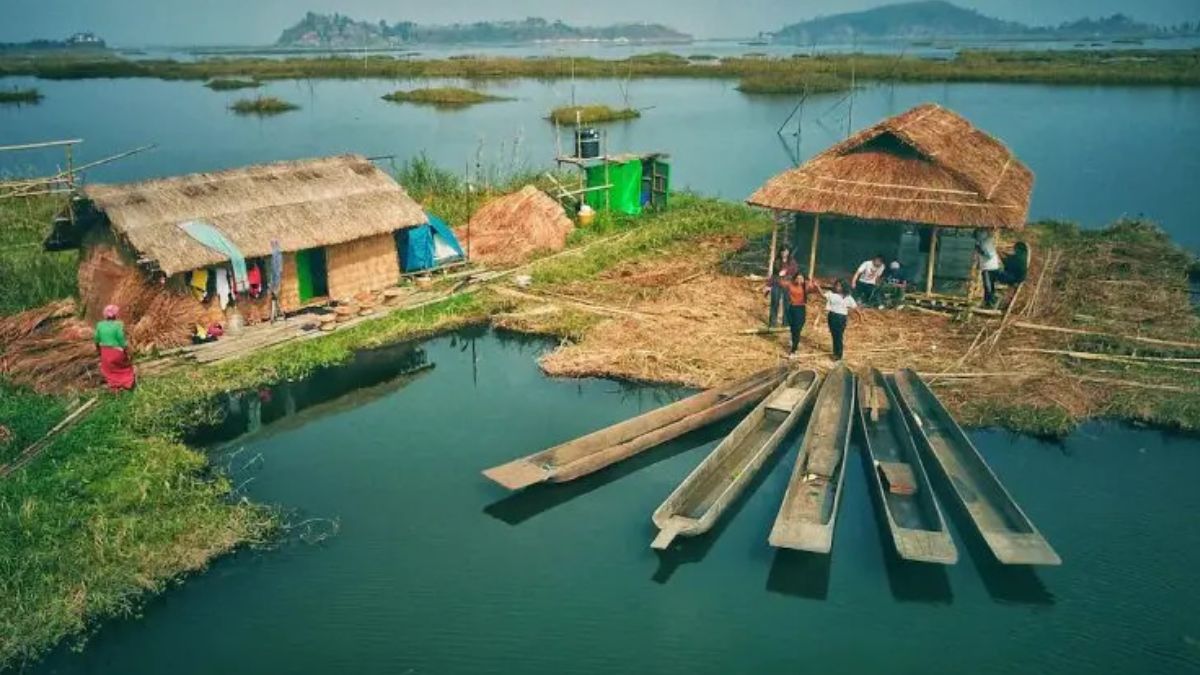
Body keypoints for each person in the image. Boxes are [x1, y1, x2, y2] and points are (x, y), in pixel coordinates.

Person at [94, 304, 136, 391]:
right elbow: (121, 339)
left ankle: (113, 383)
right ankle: (126, 382)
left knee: (108, 369)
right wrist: (126, 350)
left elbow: (96, 339)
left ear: (105, 315)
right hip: (116, 353)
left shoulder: (99, 325)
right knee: (125, 367)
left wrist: (99, 351)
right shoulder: (118, 324)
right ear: (115, 315)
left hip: (105, 353)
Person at [820, 279, 861, 361]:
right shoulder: (831, 294)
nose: (837, 287)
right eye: (836, 285)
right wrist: (817, 287)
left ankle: (839, 355)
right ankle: (835, 352)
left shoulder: (848, 297)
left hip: (841, 318)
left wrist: (860, 317)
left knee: (839, 336)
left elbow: (855, 307)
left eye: (839, 286)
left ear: (843, 287)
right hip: (832, 316)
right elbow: (822, 295)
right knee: (834, 335)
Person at [778, 270, 818, 356]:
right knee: (793, 328)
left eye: (801, 278)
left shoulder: (805, 287)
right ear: (795, 278)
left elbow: (814, 290)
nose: (800, 280)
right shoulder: (790, 285)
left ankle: (793, 350)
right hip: (791, 308)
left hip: (800, 308)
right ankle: (793, 340)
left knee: (798, 328)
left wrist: (815, 285)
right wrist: (781, 275)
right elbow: (781, 283)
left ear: (804, 279)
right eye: (798, 278)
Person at [766, 246, 799, 328]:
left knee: (787, 304)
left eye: (786, 251)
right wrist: (768, 285)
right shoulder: (777, 261)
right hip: (777, 283)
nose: (784, 253)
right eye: (782, 251)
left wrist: (786, 271)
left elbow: (795, 271)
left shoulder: (792, 262)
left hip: (788, 284)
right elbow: (774, 275)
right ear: (780, 252)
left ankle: (786, 323)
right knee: (774, 303)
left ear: (788, 252)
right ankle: (772, 323)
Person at [976, 229, 1002, 307]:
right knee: (989, 286)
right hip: (991, 266)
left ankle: (992, 302)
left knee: (988, 286)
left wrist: (980, 250)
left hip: (989, 267)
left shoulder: (984, 243)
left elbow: (988, 255)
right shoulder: (987, 241)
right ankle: (988, 303)